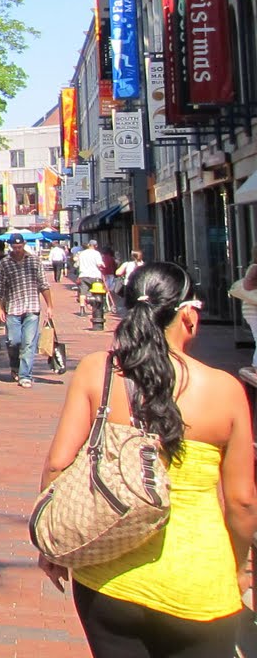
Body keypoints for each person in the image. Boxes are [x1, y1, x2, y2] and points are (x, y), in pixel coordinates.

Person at [37, 263, 257, 656]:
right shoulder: (225, 390)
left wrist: (52, 546)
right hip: (199, 585)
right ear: (188, 313)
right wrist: (237, 566)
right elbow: (242, 502)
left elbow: (58, 463)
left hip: (106, 579)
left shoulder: (99, 371)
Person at [0, 234, 52, 388]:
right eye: (15, 247)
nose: (18, 250)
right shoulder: (5, 263)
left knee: (28, 343)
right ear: (10, 246)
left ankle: (25, 375)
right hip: (13, 308)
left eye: (20, 247)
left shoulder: (34, 261)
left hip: (32, 308)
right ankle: (15, 365)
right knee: (14, 341)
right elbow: (1, 288)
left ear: (24, 245)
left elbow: (43, 284)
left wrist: (49, 306)